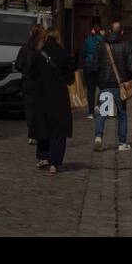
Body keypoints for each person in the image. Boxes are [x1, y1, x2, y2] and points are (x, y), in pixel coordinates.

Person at [31, 27, 75, 173]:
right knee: (58, 129)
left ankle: (43, 156)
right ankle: (54, 162)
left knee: (43, 126)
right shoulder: (63, 54)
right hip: (59, 96)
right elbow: (70, 78)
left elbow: (32, 74)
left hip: (42, 95)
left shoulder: (38, 54)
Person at [93, 20, 132, 151]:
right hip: (120, 84)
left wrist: (100, 80)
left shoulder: (101, 45)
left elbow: (95, 65)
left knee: (102, 113)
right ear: (121, 32)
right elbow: (131, 66)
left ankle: (98, 137)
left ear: (110, 31)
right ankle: (122, 142)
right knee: (122, 114)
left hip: (105, 84)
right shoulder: (126, 45)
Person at [14, 23, 45, 143]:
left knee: (29, 109)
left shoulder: (25, 48)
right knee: (39, 109)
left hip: (27, 81)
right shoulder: (42, 48)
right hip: (40, 82)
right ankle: (37, 133)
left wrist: (25, 71)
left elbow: (18, 65)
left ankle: (32, 134)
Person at [80, 25, 104, 119]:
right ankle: (98, 105)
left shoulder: (88, 40)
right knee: (102, 88)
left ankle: (90, 113)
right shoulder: (103, 40)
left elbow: (83, 53)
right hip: (100, 67)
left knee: (90, 90)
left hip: (88, 66)